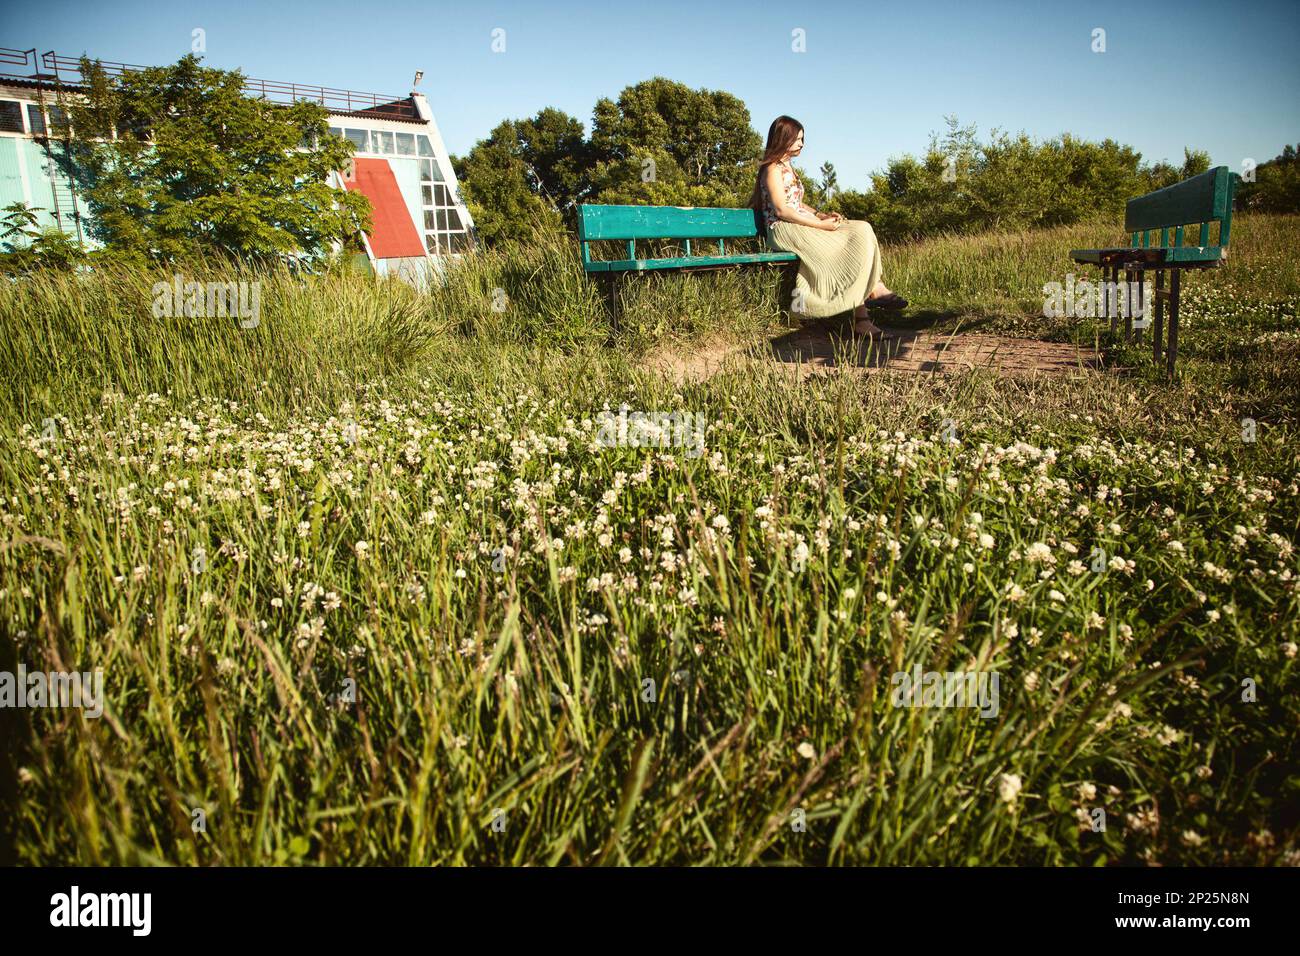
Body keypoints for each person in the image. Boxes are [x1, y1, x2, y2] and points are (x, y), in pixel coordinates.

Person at [751, 115, 907, 338]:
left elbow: (797, 203)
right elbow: (782, 210)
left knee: (861, 228)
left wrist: (820, 214)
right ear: (783, 139)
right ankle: (862, 317)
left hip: (800, 224)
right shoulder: (772, 169)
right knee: (843, 253)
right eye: (797, 139)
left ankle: (875, 286)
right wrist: (820, 225)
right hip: (783, 229)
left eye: (803, 139)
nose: (801, 144)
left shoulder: (789, 168)